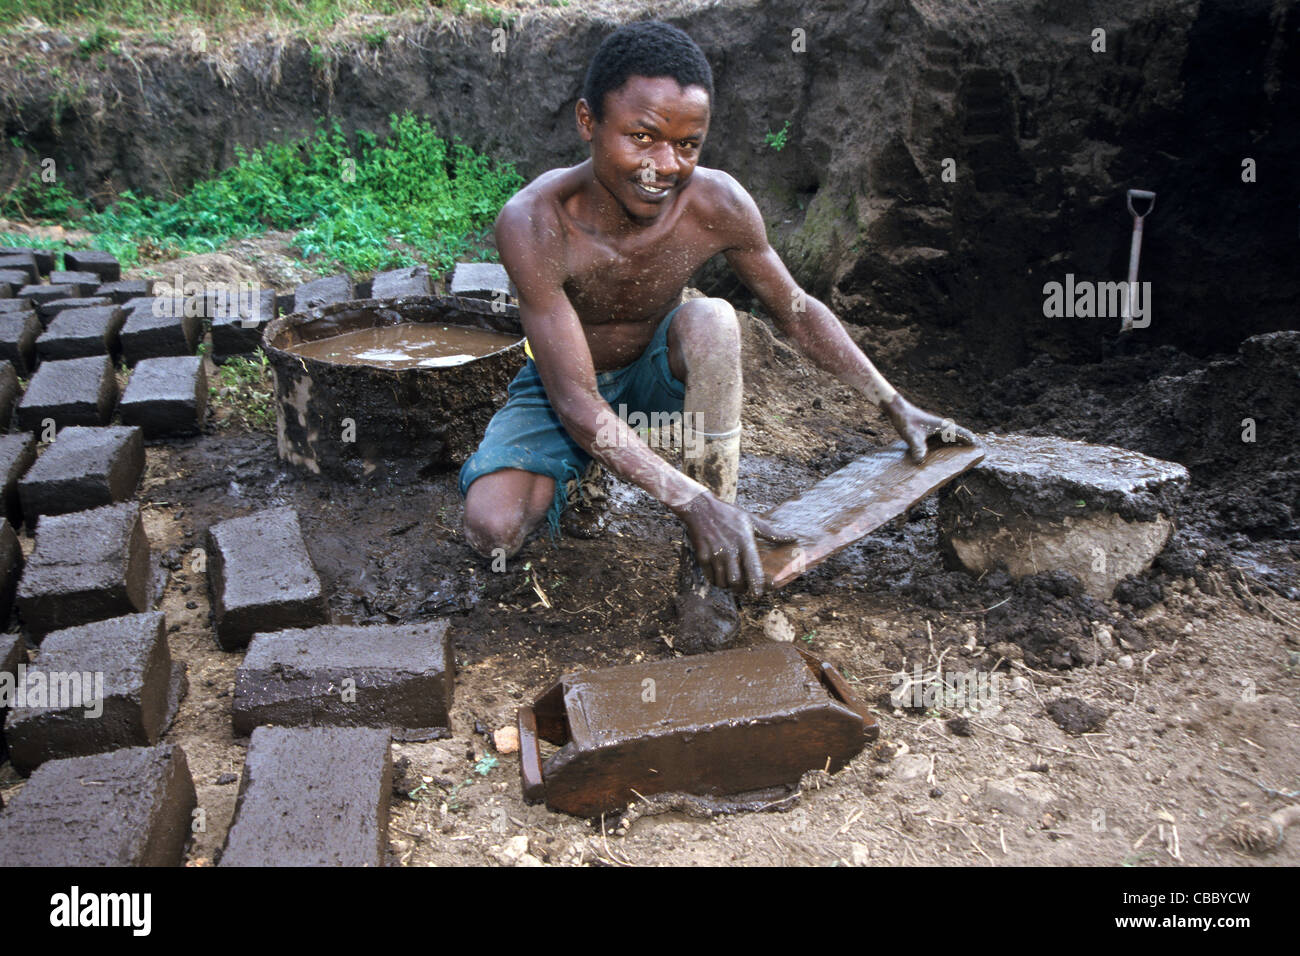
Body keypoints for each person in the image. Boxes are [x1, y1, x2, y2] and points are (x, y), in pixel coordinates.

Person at [459, 20, 975, 652]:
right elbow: (575, 400)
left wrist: (893, 403)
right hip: (568, 386)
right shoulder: (534, 223)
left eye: (688, 145)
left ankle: (708, 571)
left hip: (657, 373)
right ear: (588, 122)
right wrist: (686, 497)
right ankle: (603, 484)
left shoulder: (716, 204)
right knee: (494, 531)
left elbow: (796, 309)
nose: (664, 166)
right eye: (642, 137)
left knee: (712, 319)